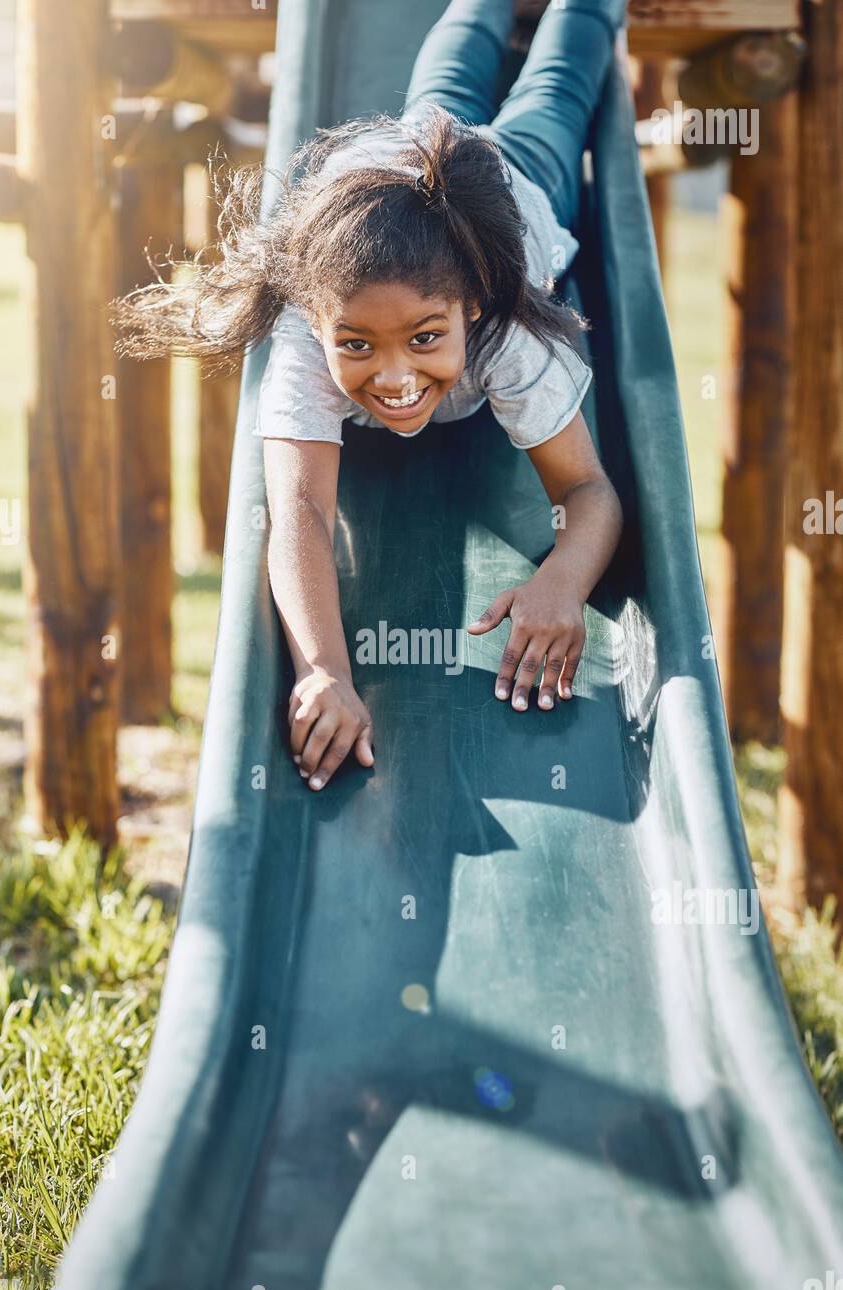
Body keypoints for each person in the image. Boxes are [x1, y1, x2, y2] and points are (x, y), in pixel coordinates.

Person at [113, 0, 627, 792]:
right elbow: (303, 515)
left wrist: (562, 581)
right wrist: (323, 670)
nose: (393, 379)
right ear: (318, 322)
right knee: (449, 69)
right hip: (405, 161)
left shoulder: (507, 325)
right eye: (356, 345)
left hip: (514, 175)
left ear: (473, 308)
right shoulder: (304, 334)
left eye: (426, 338)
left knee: (557, 81)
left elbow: (590, 492)